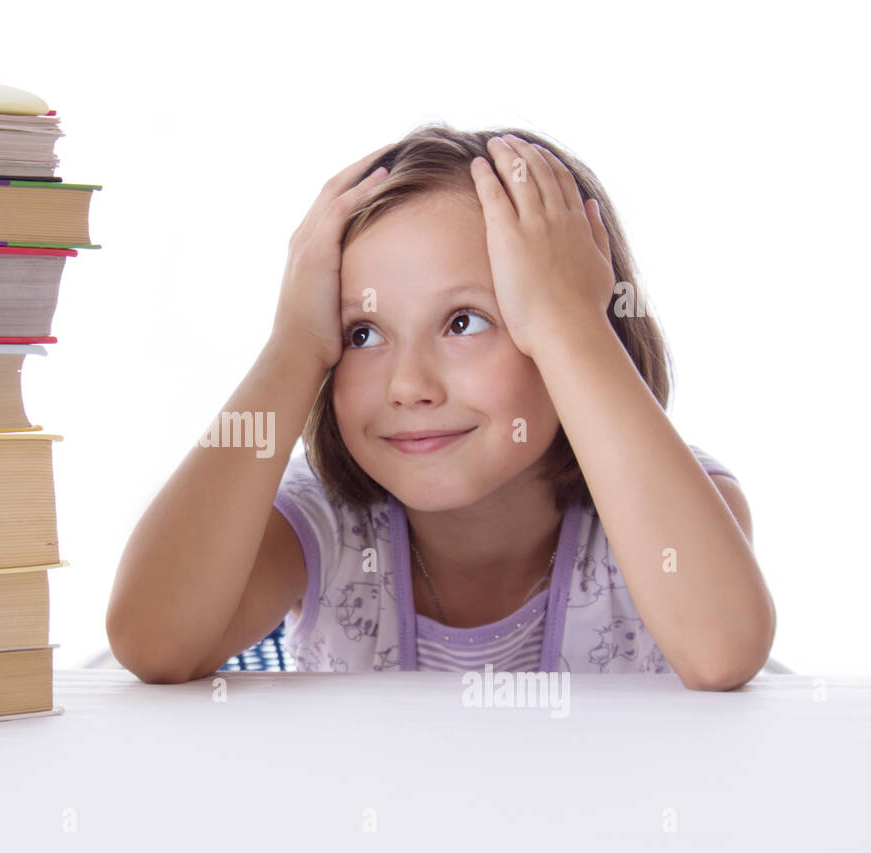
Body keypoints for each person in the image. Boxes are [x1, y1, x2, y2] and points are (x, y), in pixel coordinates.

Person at [106, 123, 775, 689]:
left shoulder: (674, 506)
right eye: (361, 334)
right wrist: (291, 349)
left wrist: (573, 324)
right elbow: (153, 640)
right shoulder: (326, 527)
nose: (408, 384)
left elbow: (723, 652)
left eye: (463, 322)